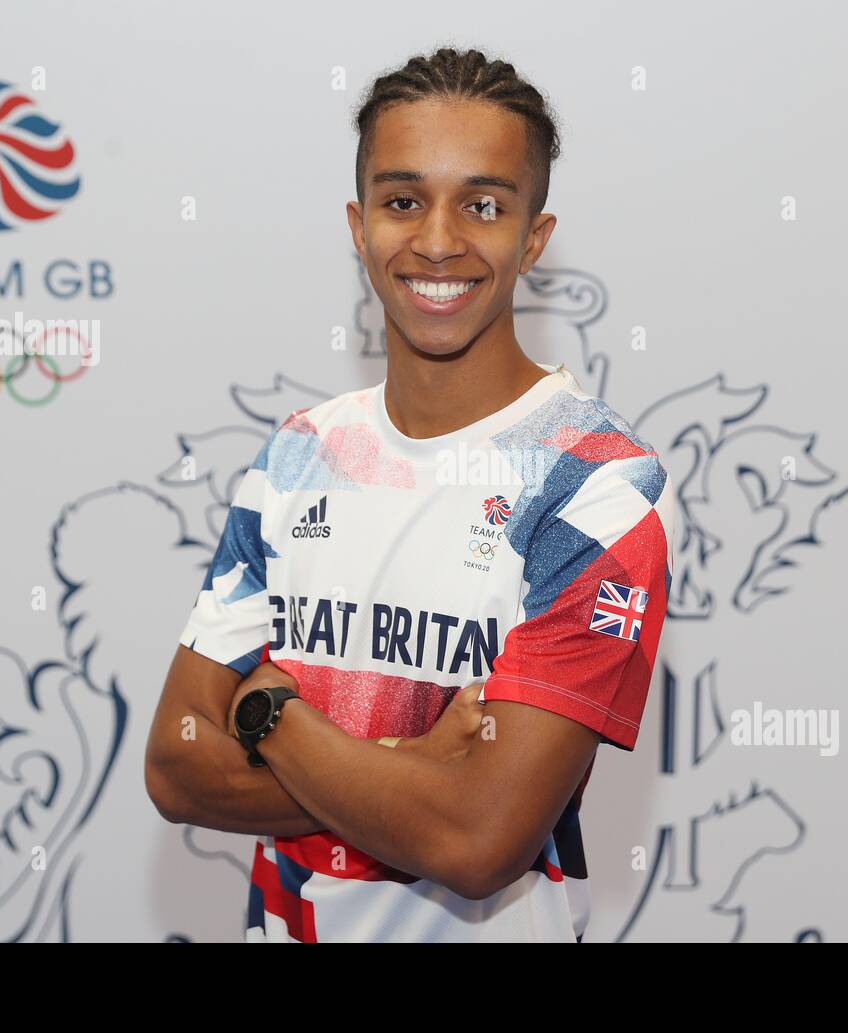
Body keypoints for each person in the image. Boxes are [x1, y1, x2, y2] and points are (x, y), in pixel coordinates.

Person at [145, 45, 675, 943]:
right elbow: (175, 768)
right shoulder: (300, 455)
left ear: (533, 237)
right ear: (359, 226)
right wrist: (408, 764)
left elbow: (476, 837)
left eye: (482, 204)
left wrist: (263, 707)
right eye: (402, 201)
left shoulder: (599, 486)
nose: (437, 240)